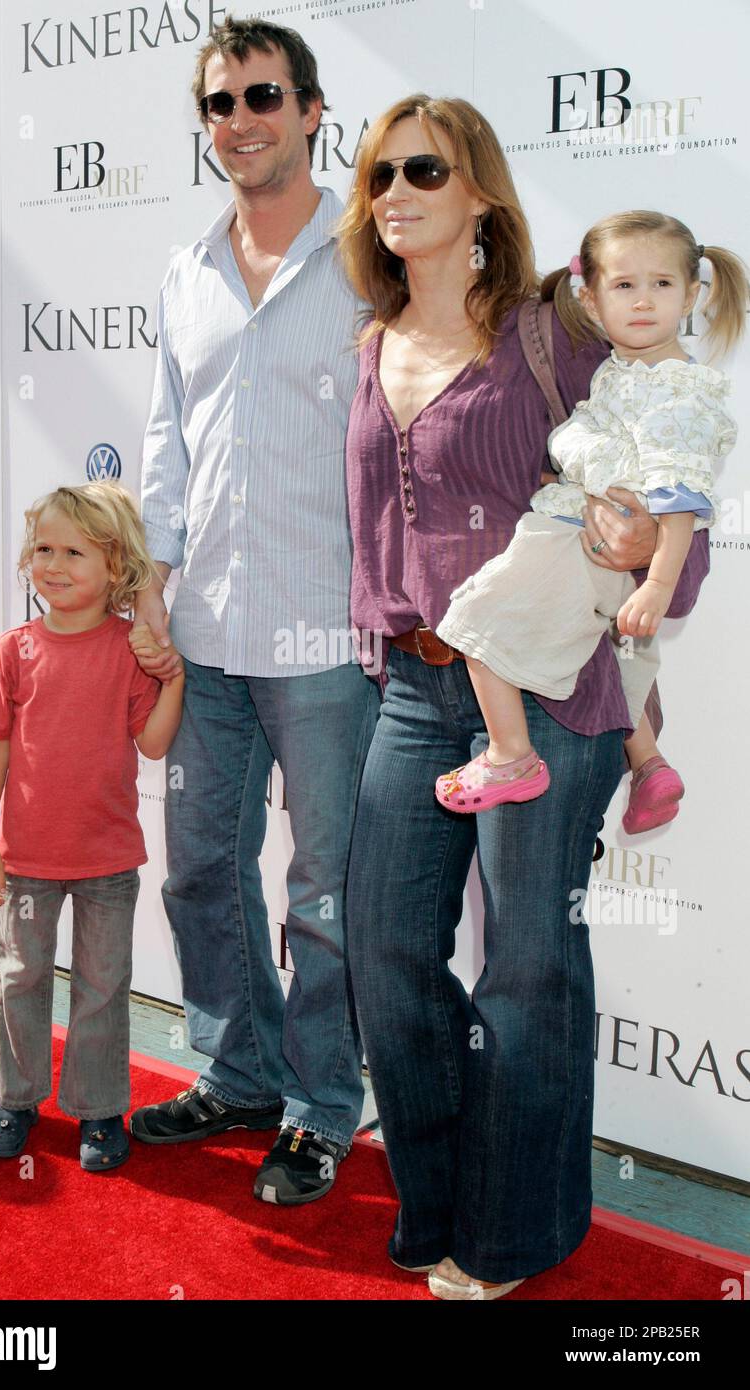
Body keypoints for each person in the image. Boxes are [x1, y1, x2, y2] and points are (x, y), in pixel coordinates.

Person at [337, 96, 710, 1299]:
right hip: (413, 680)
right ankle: (442, 1197)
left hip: (549, 693)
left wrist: (645, 545)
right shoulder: (369, 339)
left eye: (423, 170)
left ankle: (510, 1233)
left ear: (480, 191)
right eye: (378, 173)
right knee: (387, 949)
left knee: (527, 970)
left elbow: (670, 494)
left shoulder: (557, 335)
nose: (395, 191)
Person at [127, 17, 379, 1205]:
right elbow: (169, 440)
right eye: (219, 104)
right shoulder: (187, 269)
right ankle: (238, 1072)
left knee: (323, 892)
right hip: (206, 632)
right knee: (197, 872)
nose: (240, 120)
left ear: (313, 108)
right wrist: (152, 586)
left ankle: (325, 1107)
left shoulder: (371, 254)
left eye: (262, 96)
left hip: (329, 631)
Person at [435, 212, 744, 833]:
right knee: (623, 661)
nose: (642, 301)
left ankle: (510, 756)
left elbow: (678, 497)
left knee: (473, 623)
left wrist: (657, 583)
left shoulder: (675, 389)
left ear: (692, 294)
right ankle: (650, 762)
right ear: (592, 301)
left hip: (575, 546)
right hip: (583, 539)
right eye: (624, 286)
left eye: (661, 284)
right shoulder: (626, 373)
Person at [0, 483, 184, 1172]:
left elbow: (152, 743)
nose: (53, 565)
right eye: (42, 549)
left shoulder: (130, 648)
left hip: (107, 859)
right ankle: (16, 1097)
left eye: (73, 552)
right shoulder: (14, 650)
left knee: (102, 985)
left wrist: (173, 679)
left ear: (115, 564)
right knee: (19, 977)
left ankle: (98, 1110)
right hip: (28, 856)